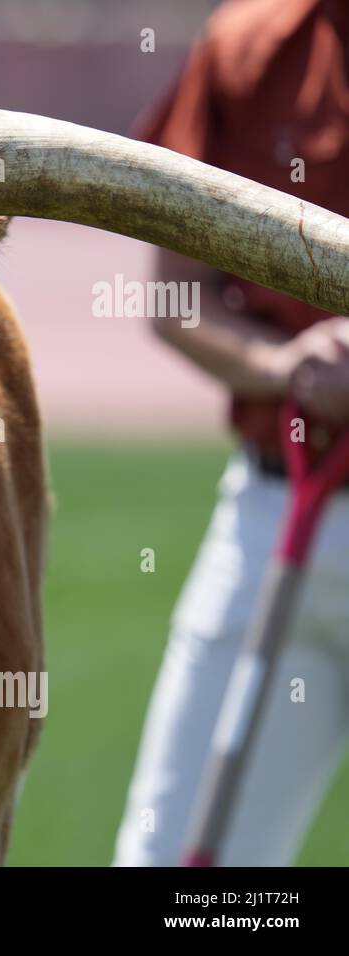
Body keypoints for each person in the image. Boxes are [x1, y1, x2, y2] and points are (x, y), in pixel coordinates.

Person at [114, 0, 349, 866]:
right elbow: (176, 300)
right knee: (180, 867)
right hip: (276, 508)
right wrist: (286, 367)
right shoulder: (251, 44)